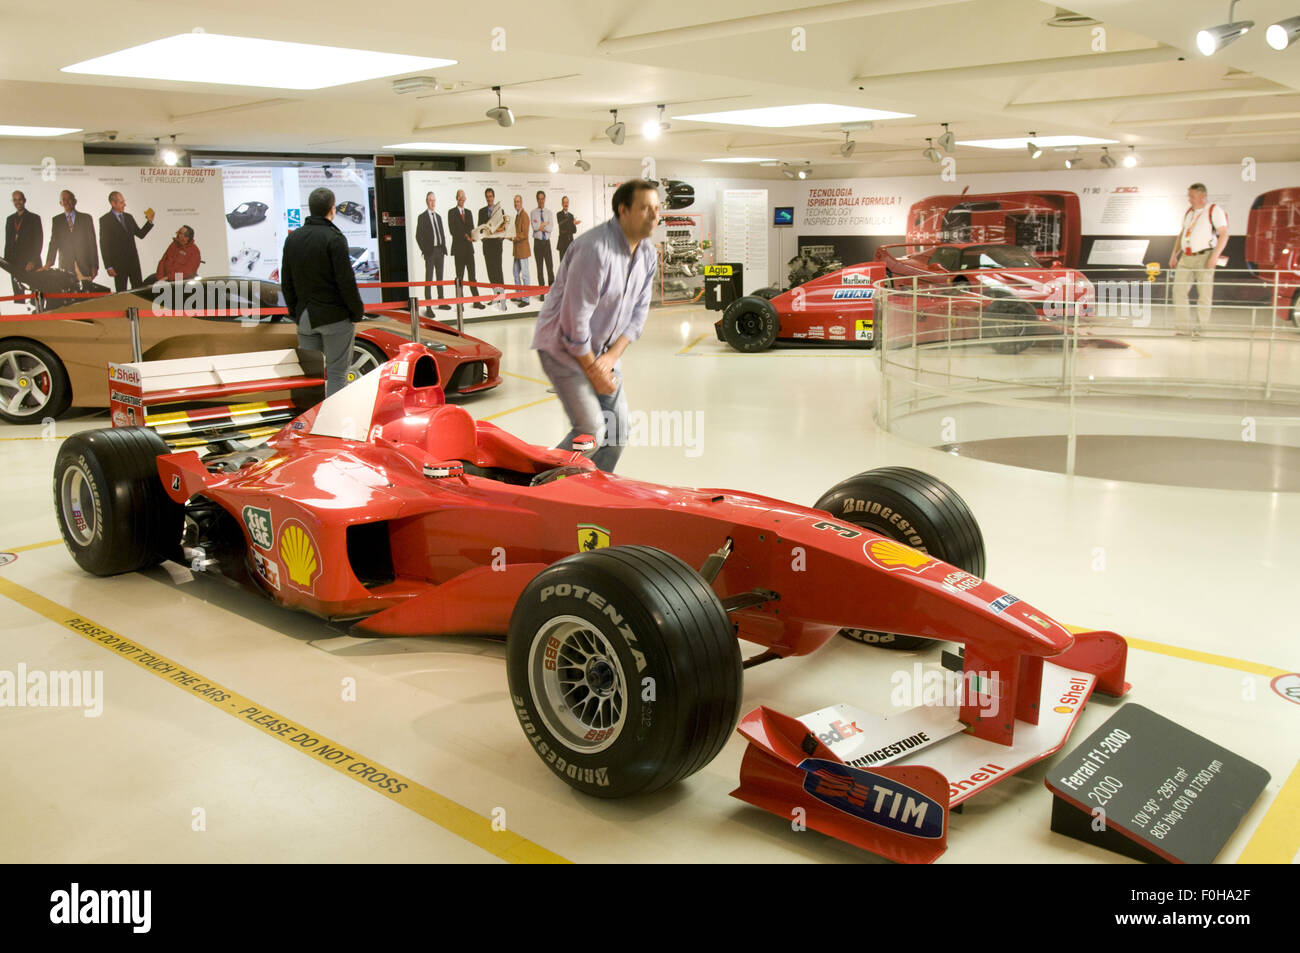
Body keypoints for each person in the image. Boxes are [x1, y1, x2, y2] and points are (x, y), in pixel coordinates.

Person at [531, 178, 659, 472]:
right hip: (562, 348)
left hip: (602, 350)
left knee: (617, 431)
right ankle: (536, 483)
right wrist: (592, 369)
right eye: (645, 209)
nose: (654, 217)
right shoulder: (594, 251)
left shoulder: (648, 254)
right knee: (591, 432)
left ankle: (595, 491)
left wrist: (610, 359)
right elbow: (573, 323)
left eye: (657, 208)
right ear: (623, 210)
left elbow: (639, 314)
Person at [281, 188, 364, 397]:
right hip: (334, 317)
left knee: (312, 376)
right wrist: (356, 312)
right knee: (337, 374)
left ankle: (311, 422)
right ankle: (334, 423)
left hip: (306, 317)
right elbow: (345, 281)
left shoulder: (293, 239)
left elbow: (287, 281)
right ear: (332, 209)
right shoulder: (334, 238)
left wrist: (296, 312)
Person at [1169, 182, 1228, 338]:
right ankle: (1182, 328)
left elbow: (1224, 234)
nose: (1189, 199)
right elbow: (1182, 234)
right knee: (1178, 291)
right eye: (1189, 196)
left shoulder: (1214, 210)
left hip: (1205, 256)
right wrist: (1174, 254)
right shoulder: (1189, 212)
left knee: (1204, 294)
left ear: (1202, 196)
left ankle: (1201, 328)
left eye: (1192, 196)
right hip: (1186, 257)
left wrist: (1214, 256)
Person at [99, 191, 155, 292]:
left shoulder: (129, 217)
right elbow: (104, 245)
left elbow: (140, 234)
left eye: (124, 202)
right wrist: (108, 266)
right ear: (113, 203)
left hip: (133, 262)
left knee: (139, 291)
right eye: (121, 202)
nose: (125, 204)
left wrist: (149, 222)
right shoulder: (105, 220)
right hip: (118, 264)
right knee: (121, 292)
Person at [44, 190, 98, 281]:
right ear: (61, 203)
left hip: (84, 266)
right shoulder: (57, 220)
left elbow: (92, 243)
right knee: (68, 295)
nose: (67, 202)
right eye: (64, 200)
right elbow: (53, 243)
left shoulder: (86, 218)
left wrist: (94, 266)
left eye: (69, 199)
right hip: (65, 267)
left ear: (75, 201)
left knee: (86, 295)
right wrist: (48, 263)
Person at [447, 189, 484, 310]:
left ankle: (476, 301)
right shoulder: (451, 212)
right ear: (456, 198)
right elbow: (453, 230)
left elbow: (471, 228)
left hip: (469, 248)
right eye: (460, 197)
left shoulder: (468, 212)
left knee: (472, 276)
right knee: (460, 276)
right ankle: (460, 303)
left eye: (464, 197)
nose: (462, 199)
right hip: (459, 249)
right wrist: (465, 236)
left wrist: (474, 236)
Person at [414, 191, 449, 314]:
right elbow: (418, 236)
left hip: (440, 250)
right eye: (430, 200)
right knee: (428, 279)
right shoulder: (422, 217)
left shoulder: (438, 217)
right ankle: (428, 307)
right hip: (430, 252)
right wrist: (425, 250)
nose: (432, 202)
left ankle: (441, 302)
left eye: (434, 200)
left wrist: (444, 248)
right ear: (426, 201)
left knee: (440, 278)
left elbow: (442, 233)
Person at [4, 191, 43, 297]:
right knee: (18, 296)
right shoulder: (10, 219)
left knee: (35, 295)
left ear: (24, 200)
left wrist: (32, 260)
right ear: (13, 201)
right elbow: (8, 243)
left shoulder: (34, 218)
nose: (18, 202)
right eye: (15, 200)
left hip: (30, 263)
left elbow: (39, 241)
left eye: (20, 199)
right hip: (15, 264)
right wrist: (7, 264)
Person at [477, 187, 508, 311]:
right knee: (490, 272)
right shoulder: (481, 211)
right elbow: (480, 228)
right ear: (486, 198)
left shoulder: (500, 210)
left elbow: (504, 228)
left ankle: (503, 299)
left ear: (493, 197)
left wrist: (501, 237)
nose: (489, 198)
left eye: (491, 196)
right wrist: (483, 237)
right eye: (487, 196)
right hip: (487, 246)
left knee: (498, 271)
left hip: (496, 246)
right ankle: (496, 296)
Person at [531, 190, 555, 296]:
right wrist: (543, 224)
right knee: (539, 268)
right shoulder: (533, 213)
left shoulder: (549, 212)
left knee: (550, 267)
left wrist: (540, 226)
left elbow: (550, 229)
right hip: (537, 243)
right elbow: (534, 228)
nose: (541, 201)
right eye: (539, 199)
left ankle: (552, 292)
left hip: (546, 243)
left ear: (545, 199)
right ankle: (542, 293)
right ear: (537, 200)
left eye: (542, 198)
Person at [511, 193, 531, 308]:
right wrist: (509, 236)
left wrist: (513, 237)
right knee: (515, 273)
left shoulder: (524, 215)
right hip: (517, 251)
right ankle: (518, 296)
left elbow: (524, 234)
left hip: (523, 250)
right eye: (515, 202)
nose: (516, 204)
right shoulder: (518, 215)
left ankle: (526, 299)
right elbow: (515, 232)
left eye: (518, 201)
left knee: (525, 275)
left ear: (521, 202)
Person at [556, 195, 580, 260]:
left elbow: (574, 231)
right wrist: (572, 223)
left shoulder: (571, 215)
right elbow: (562, 228)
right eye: (564, 202)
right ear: (562, 204)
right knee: (563, 265)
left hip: (570, 244)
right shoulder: (559, 214)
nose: (566, 204)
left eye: (567, 202)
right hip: (562, 244)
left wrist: (573, 225)